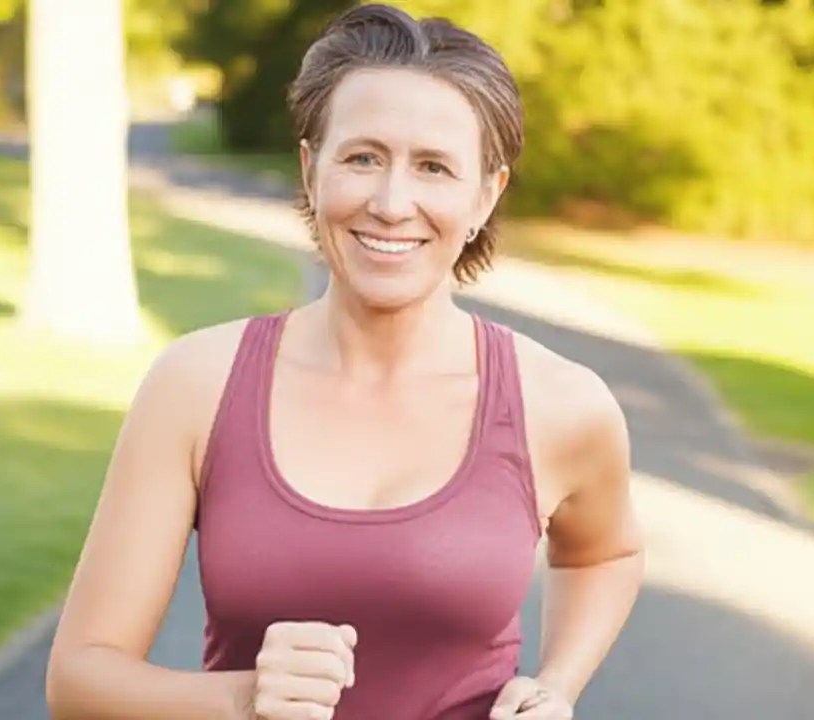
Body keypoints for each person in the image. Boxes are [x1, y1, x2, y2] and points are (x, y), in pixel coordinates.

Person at [44, 4, 644, 719]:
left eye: (434, 168)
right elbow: (79, 683)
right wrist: (244, 698)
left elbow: (603, 554)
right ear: (311, 168)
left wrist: (559, 684)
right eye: (362, 157)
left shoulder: (561, 404)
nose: (392, 203)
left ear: (486, 194)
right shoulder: (197, 385)